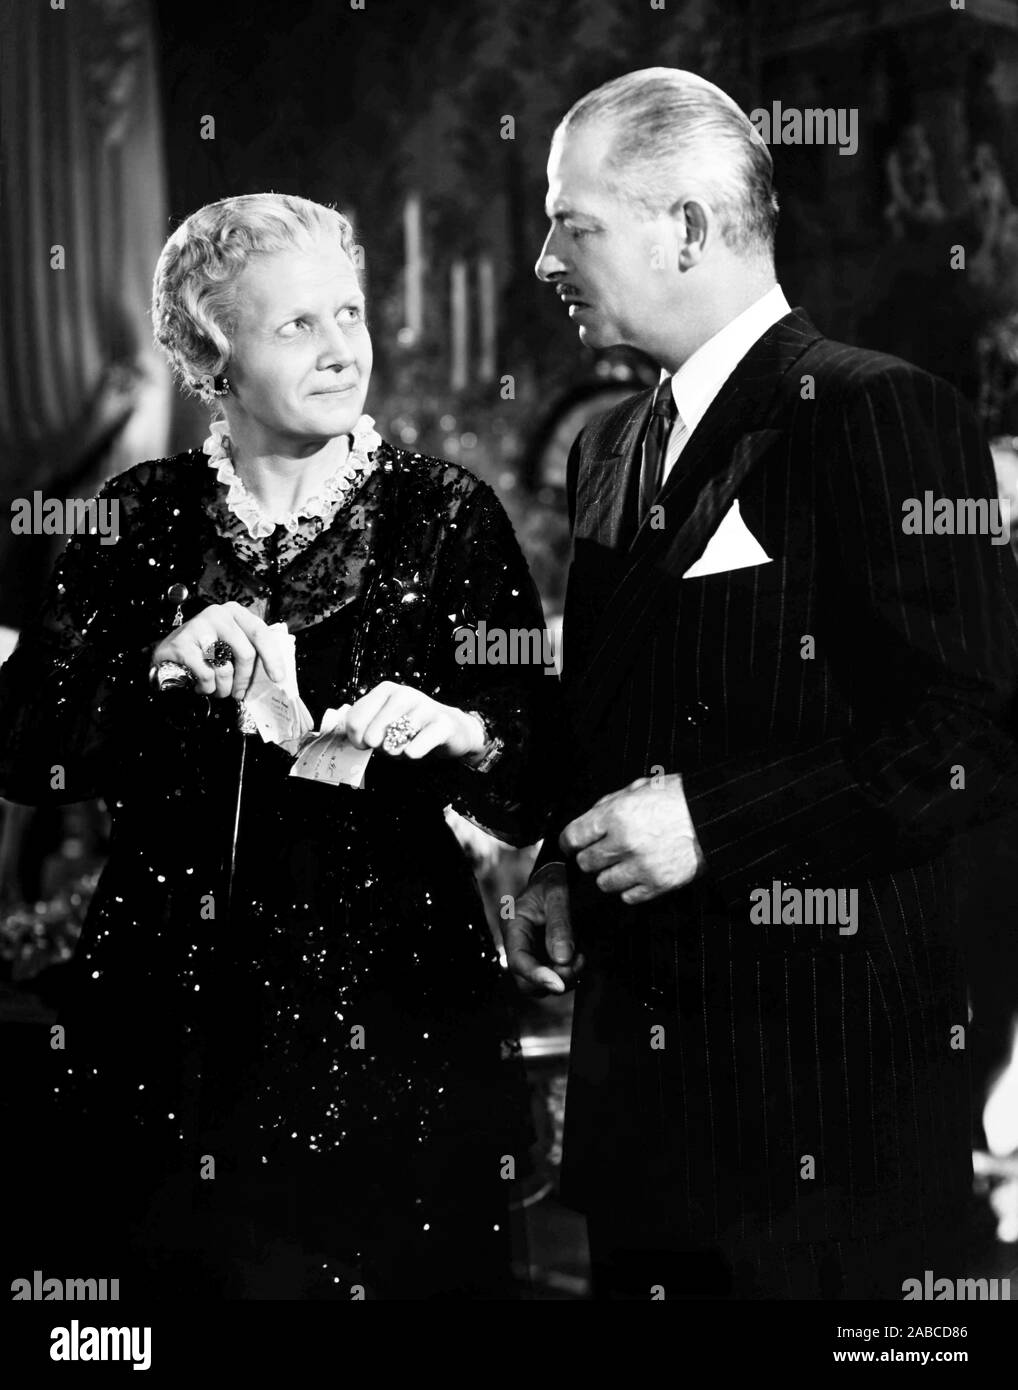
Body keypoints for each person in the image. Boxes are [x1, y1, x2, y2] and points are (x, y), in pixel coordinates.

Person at [507, 67, 1018, 1300]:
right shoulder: (606, 444)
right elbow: (613, 713)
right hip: (643, 1126)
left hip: (826, 1111)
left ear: (685, 227)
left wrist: (711, 821)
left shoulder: (879, 411)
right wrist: (564, 859)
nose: (543, 261)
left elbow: (969, 730)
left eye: (571, 224)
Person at [0, 193, 556, 1300]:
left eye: (348, 313)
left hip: (398, 1004)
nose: (341, 347)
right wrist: (158, 665)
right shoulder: (135, 515)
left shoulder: (446, 515)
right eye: (297, 324)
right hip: (169, 1007)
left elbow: (535, 776)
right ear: (212, 352)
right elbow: (23, 745)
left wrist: (463, 731)